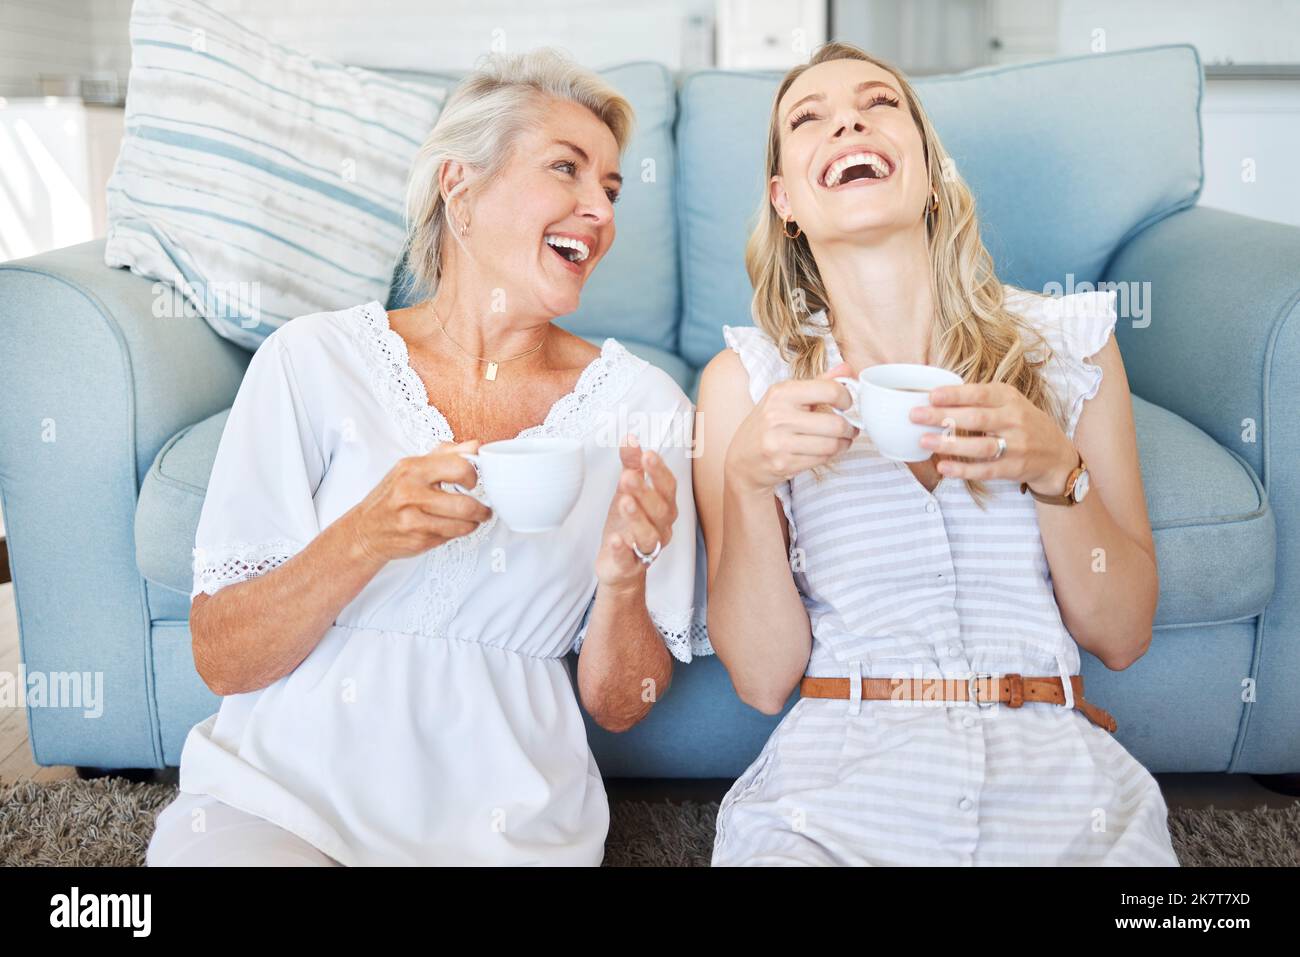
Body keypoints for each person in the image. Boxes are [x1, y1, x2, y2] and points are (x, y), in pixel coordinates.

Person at [147, 48, 708, 867]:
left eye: (612, 190)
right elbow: (223, 655)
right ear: (461, 189)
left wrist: (623, 580)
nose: (600, 209)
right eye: (567, 169)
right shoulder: (312, 359)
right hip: (282, 801)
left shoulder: (645, 409)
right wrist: (365, 534)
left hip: (506, 829)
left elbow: (623, 706)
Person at [693, 41, 1179, 866]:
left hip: (1062, 794)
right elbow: (763, 679)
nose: (847, 118)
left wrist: (1057, 471)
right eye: (807, 119)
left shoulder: (1072, 346)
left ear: (930, 168)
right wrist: (744, 481)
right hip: (837, 798)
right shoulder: (745, 384)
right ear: (785, 201)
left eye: (879, 104)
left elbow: (1123, 633)